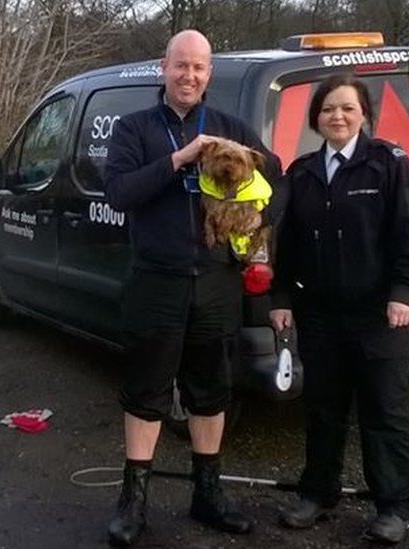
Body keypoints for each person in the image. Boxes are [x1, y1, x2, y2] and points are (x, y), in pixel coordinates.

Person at [101, 29, 280, 547]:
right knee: (146, 389)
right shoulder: (136, 129)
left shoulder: (230, 128)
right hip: (156, 280)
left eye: (199, 68)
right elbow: (119, 193)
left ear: (209, 73)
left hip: (217, 281)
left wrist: (256, 217)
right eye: (181, 66)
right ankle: (133, 501)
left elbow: (278, 180)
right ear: (165, 67)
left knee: (210, 391)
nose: (190, 76)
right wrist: (179, 160)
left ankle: (208, 494)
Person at [269, 74, 409, 545]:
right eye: (327, 110)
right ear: (315, 118)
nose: (336, 116)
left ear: (364, 114)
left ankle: (394, 505)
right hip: (320, 314)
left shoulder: (388, 164)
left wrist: (404, 291)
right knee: (323, 409)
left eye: (347, 108)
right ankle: (318, 494)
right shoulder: (301, 173)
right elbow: (286, 245)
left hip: (378, 314)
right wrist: (280, 299)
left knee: (385, 411)